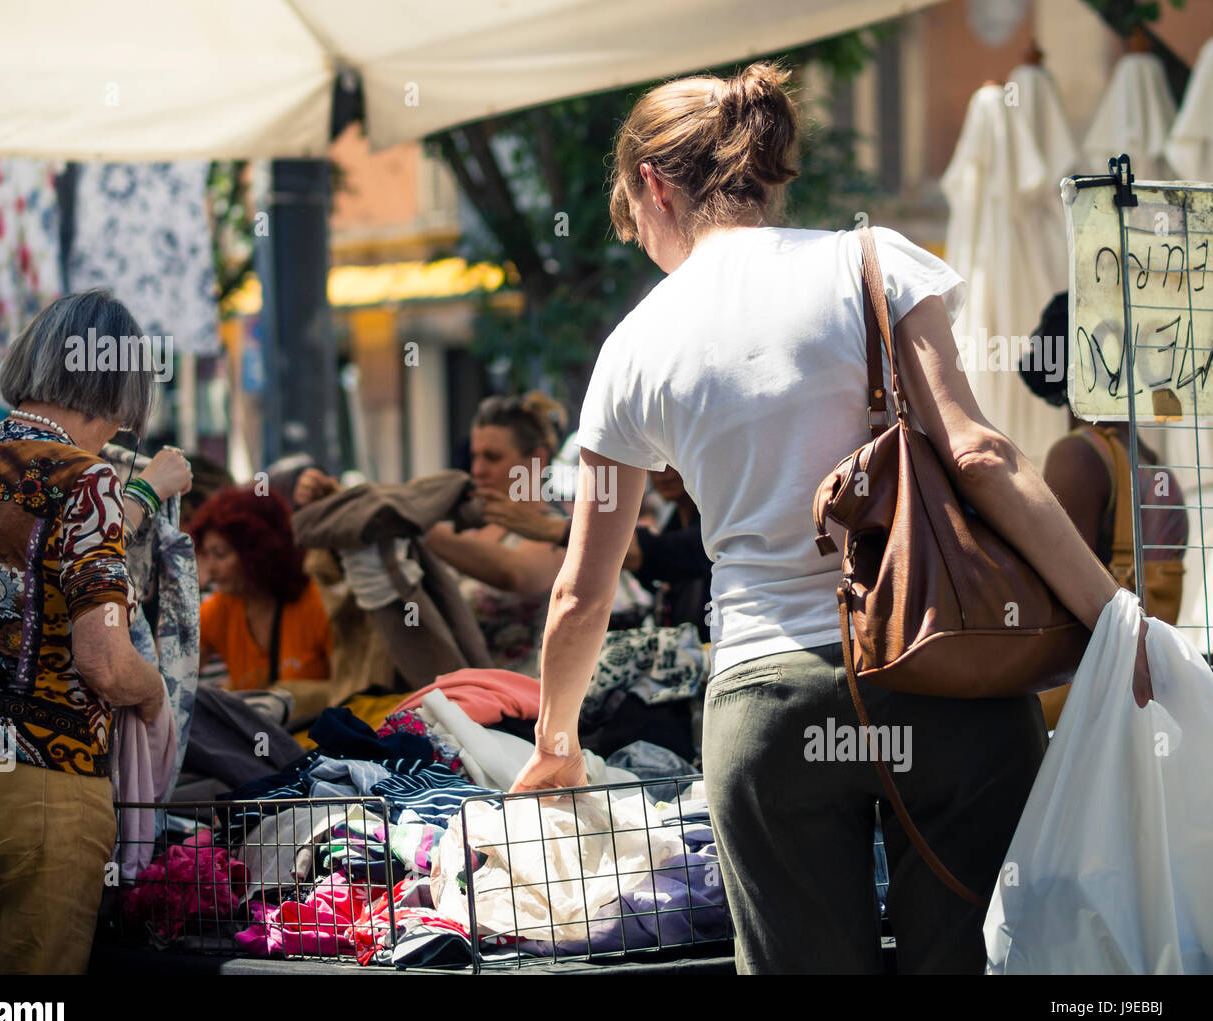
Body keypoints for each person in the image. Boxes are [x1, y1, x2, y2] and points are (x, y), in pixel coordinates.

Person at [507, 62, 1146, 975]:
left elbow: (581, 591)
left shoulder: (631, 352)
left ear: (654, 184)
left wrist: (559, 744)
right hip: (949, 676)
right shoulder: (873, 262)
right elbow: (980, 455)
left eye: (633, 217)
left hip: (769, 703)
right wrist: (1117, 623)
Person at [0, 290, 192, 974]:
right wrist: (154, 689)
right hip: (44, 783)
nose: (121, 433)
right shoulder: (87, 479)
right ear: (112, 393)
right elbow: (102, 660)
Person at [1021, 292, 1187, 727]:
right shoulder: (1152, 465)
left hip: (1088, 705)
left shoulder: (1078, 458)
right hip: (1150, 701)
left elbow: (1053, 595)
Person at [423, 392, 570, 676]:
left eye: (492, 457)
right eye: (475, 456)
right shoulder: (470, 529)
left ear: (537, 459)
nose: (477, 470)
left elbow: (515, 572)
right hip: (458, 697)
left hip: (522, 705)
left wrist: (417, 526)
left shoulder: (554, 533)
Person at [483, 464, 712, 640]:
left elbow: (659, 553)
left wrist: (552, 529)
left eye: (493, 458)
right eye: (658, 458)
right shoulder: (674, 524)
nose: (662, 471)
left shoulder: (712, 523)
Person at [191, 485, 333, 692]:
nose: (211, 567)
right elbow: (173, 680)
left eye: (220, 554)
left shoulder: (318, 604)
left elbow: (350, 691)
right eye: (206, 554)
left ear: (258, 552)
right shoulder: (217, 610)